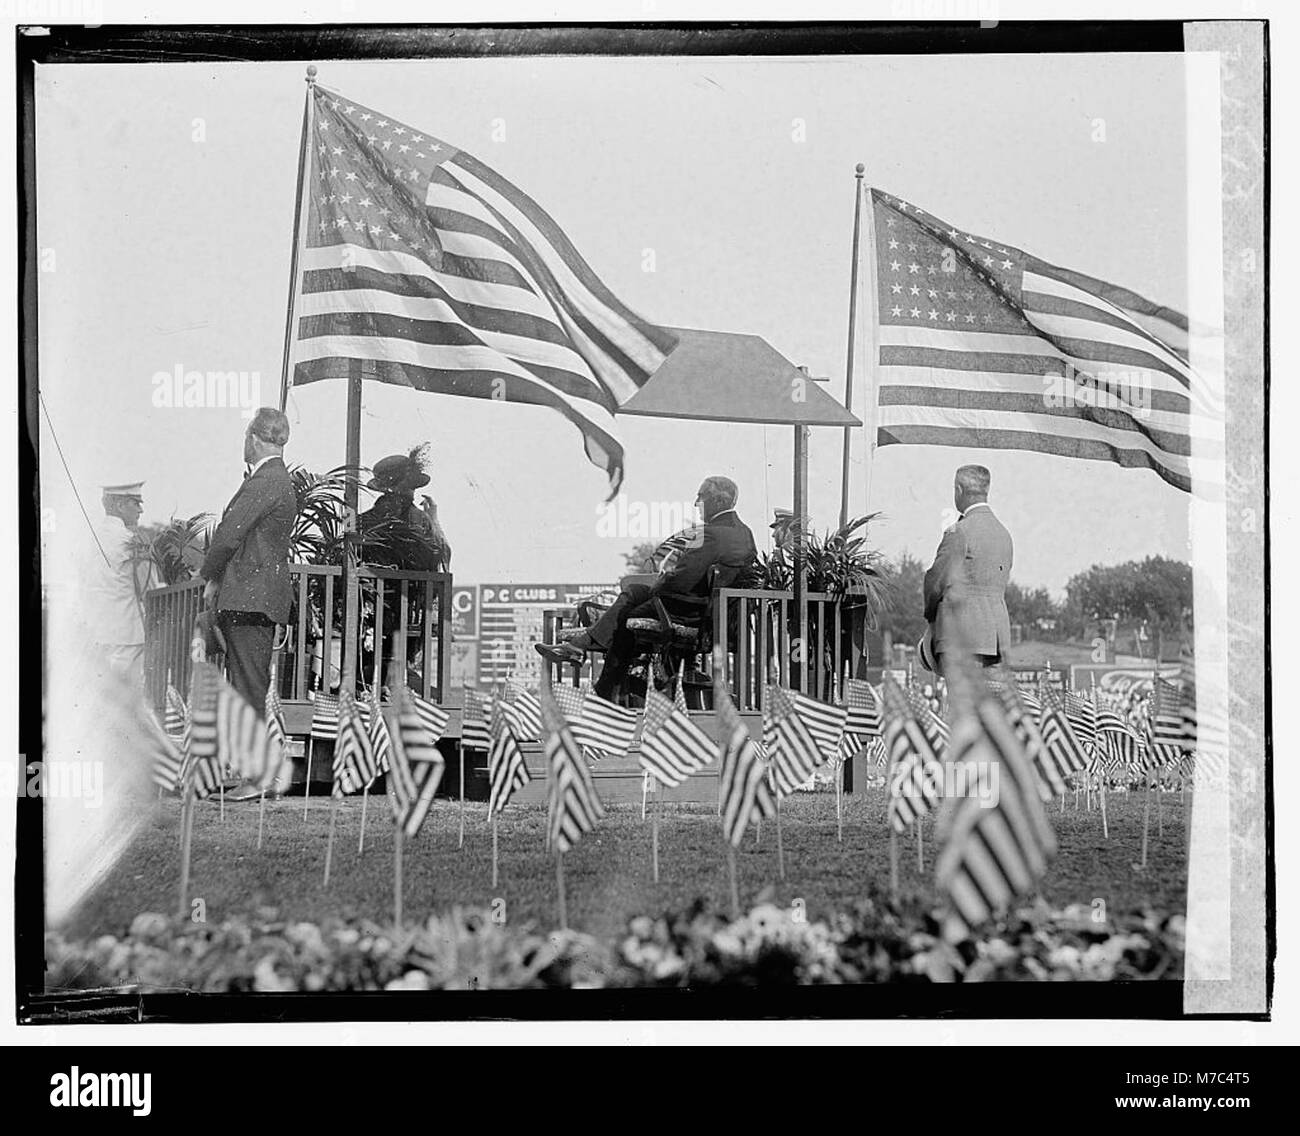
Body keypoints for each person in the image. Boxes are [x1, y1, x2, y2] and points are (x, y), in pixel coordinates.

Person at [536, 476, 758, 700]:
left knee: (628, 607)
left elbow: (682, 580)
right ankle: (593, 670)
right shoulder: (745, 533)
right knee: (630, 603)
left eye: (701, 496)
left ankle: (589, 663)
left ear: (719, 502)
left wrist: (662, 579)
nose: (696, 503)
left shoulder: (711, 534)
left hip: (689, 612)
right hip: (714, 613)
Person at [200, 408, 297, 728]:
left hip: (249, 600)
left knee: (248, 691)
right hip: (256, 601)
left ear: (254, 439)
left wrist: (210, 577)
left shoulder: (266, 480)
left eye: (246, 436)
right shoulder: (276, 479)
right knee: (248, 686)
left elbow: (228, 534)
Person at [922, 464, 1013, 675]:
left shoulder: (959, 531)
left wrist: (930, 616)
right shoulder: (1004, 534)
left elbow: (936, 582)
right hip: (997, 640)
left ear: (959, 490)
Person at [88, 481, 158, 692]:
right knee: (127, 698)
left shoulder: (87, 538)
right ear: (119, 505)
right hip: (128, 634)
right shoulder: (131, 541)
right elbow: (151, 589)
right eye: (135, 503)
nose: (141, 509)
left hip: (95, 631)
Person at [359, 445, 450, 574]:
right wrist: (434, 520)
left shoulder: (364, 519)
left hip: (373, 590)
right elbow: (443, 557)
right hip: (411, 592)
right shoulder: (420, 519)